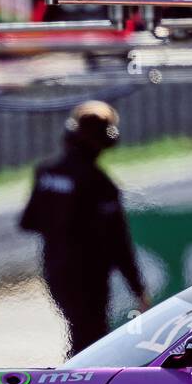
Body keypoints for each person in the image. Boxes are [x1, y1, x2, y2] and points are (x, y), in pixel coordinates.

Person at [19, 100, 150, 355]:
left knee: (80, 333)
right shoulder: (101, 184)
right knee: (92, 342)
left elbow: (29, 221)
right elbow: (118, 243)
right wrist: (138, 289)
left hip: (55, 270)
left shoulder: (46, 172)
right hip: (88, 276)